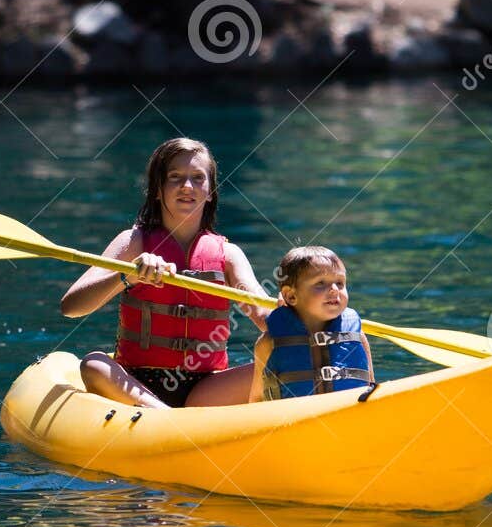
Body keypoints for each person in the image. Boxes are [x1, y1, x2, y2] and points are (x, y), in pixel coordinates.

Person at [60, 137, 267, 408]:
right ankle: (163, 415)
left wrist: (298, 313)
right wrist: (127, 276)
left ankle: (174, 419)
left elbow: (263, 314)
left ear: (211, 191)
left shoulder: (229, 255)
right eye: (175, 177)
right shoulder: (133, 242)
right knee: (93, 363)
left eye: (197, 178)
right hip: (136, 382)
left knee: (276, 361)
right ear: (157, 189)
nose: (187, 186)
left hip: (207, 388)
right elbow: (71, 307)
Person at [250, 247, 374, 401]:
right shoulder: (268, 343)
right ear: (291, 296)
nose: (335, 290)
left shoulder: (357, 335)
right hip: (293, 421)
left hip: (349, 416)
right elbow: (256, 398)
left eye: (340, 283)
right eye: (321, 283)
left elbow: (371, 386)